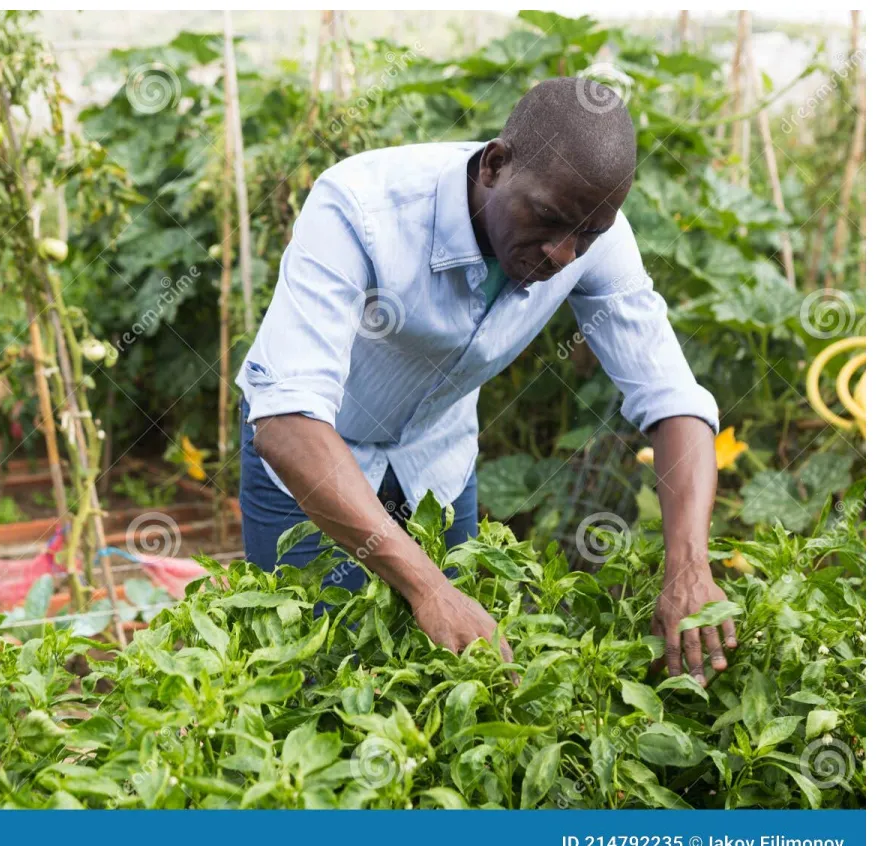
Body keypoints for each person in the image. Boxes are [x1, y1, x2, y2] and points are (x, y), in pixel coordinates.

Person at [236, 78, 737, 686]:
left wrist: (688, 565)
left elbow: (672, 397)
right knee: (314, 680)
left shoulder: (590, 234)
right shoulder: (361, 206)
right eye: (549, 219)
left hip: (437, 462)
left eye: (588, 235)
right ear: (495, 165)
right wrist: (427, 586)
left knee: (459, 689)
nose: (563, 254)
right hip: (313, 462)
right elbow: (288, 421)